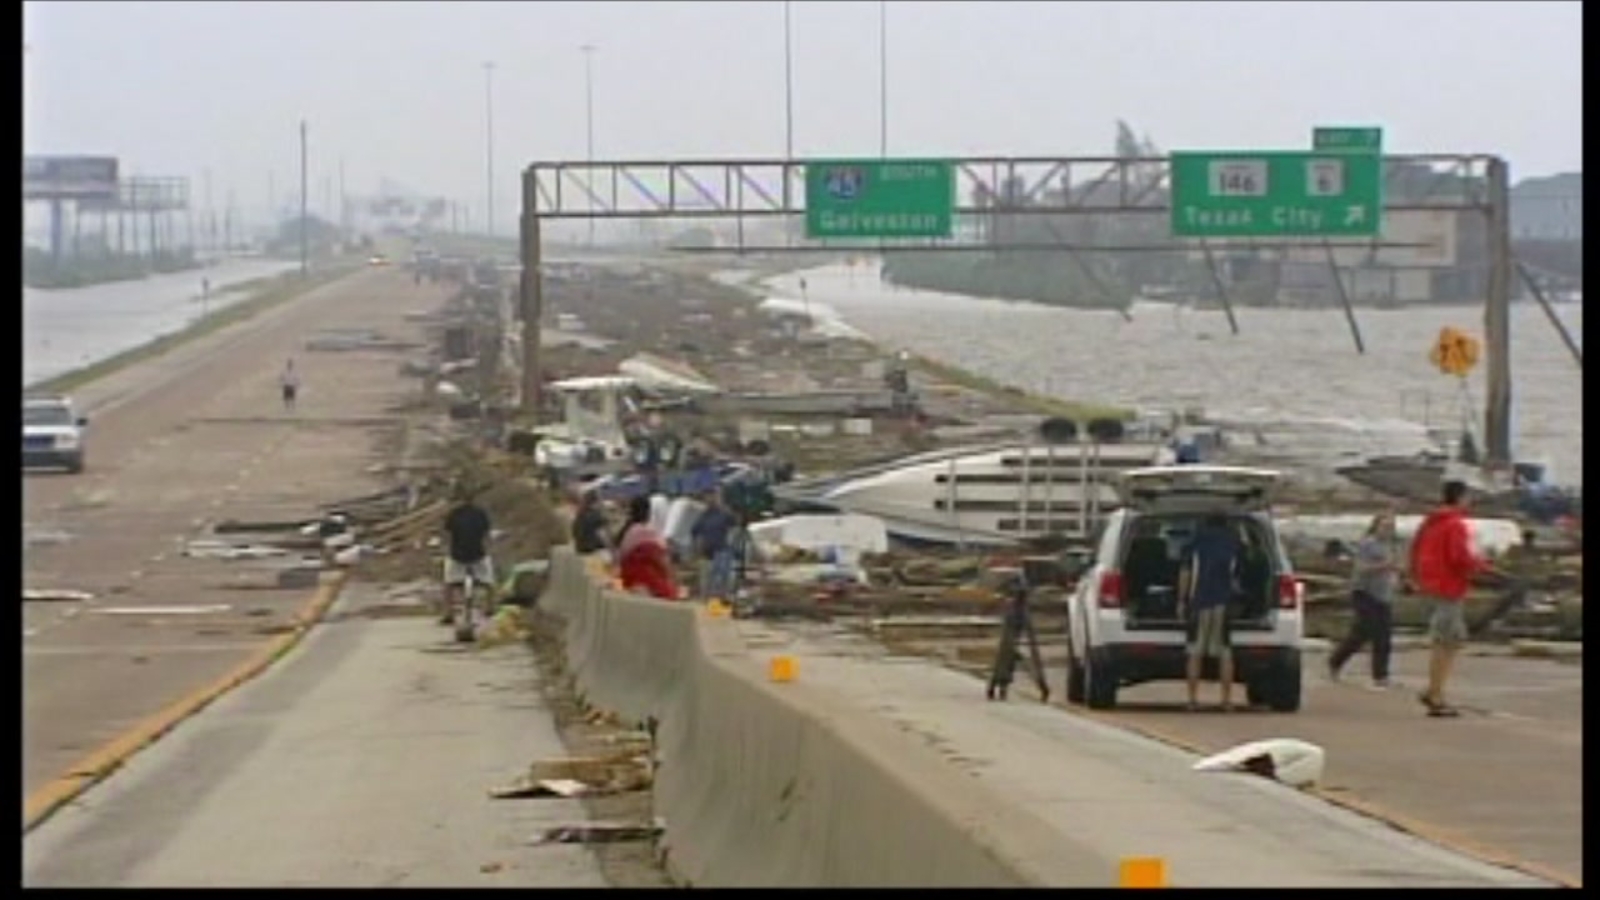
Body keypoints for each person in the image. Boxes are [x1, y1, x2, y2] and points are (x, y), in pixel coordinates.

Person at [1409, 480, 1488, 718]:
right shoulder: (1455, 524)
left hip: (1431, 586)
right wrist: (1481, 567)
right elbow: (1459, 558)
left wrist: (1416, 577)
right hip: (1449, 588)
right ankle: (1435, 693)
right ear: (1460, 497)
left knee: (1449, 639)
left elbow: (1415, 550)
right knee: (1446, 642)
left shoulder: (1430, 523)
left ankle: (1434, 688)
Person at [1328, 512, 1400, 688]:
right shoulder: (1368, 544)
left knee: (1383, 635)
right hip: (1364, 592)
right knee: (1365, 630)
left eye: (1390, 527)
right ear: (1375, 526)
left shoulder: (1391, 545)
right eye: (1384, 526)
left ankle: (1381, 676)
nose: (1387, 530)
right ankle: (1336, 660)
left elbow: (1394, 567)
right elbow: (1361, 568)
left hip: (1384, 594)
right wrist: (1383, 566)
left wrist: (1398, 577)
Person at [1177, 514, 1240, 711]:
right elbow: (1238, 576)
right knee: (1225, 652)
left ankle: (1192, 700)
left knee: (1195, 651)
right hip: (1224, 603)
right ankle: (1226, 701)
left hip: (1200, 602)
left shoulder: (1195, 543)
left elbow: (1186, 573)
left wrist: (1181, 600)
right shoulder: (1233, 544)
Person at [439, 484, 494, 627]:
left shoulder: (453, 514)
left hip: (457, 555)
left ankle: (448, 613)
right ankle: (490, 608)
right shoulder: (480, 514)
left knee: (448, 584)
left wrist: (445, 549)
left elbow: (446, 535)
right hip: (478, 554)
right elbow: (487, 535)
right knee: (489, 583)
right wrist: (488, 548)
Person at [615, 495, 678, 601]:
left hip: (631, 584)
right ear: (649, 513)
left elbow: (619, 560)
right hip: (655, 588)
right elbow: (665, 564)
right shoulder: (653, 535)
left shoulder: (627, 533)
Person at [690, 491, 739, 601]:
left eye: (712, 496)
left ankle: (721, 601)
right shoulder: (703, 516)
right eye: (707, 497)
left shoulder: (724, 514)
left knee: (721, 581)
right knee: (706, 584)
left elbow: (735, 524)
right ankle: (706, 603)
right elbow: (695, 532)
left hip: (721, 552)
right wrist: (696, 549)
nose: (709, 499)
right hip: (706, 553)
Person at [570, 489, 611, 558]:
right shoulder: (596, 516)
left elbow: (575, 533)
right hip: (595, 552)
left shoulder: (579, 515)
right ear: (596, 501)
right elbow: (605, 536)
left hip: (582, 552)